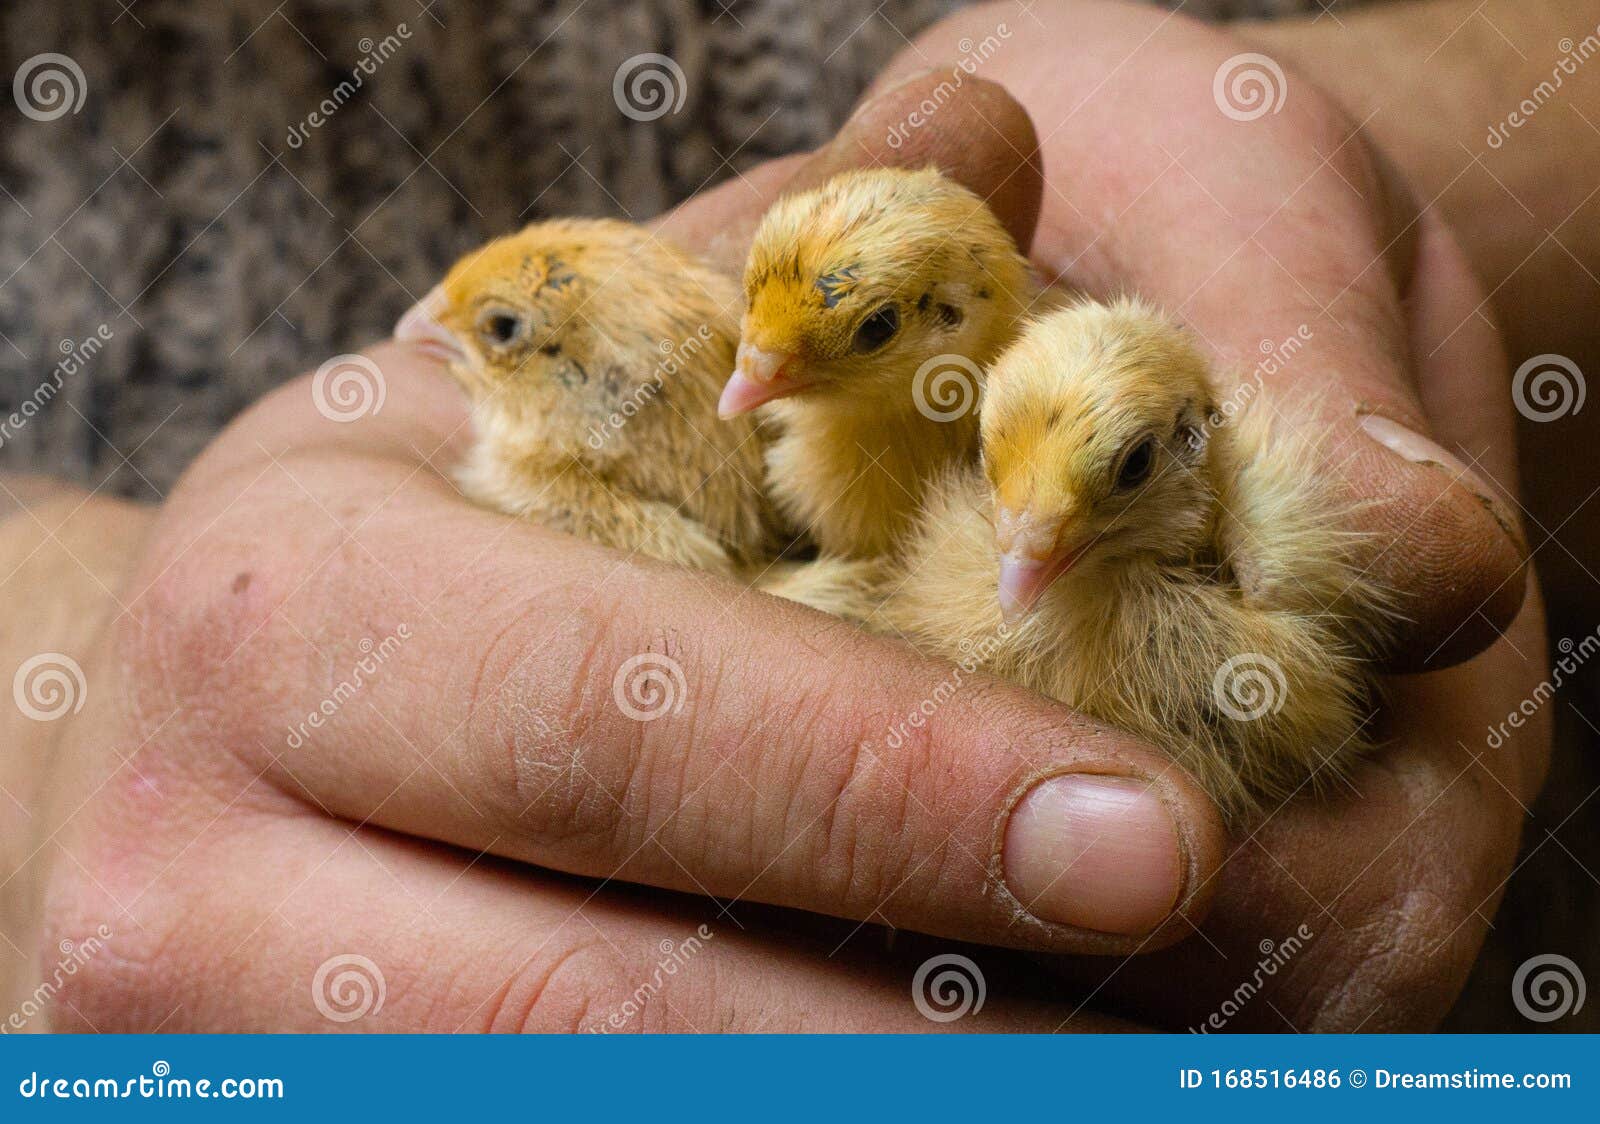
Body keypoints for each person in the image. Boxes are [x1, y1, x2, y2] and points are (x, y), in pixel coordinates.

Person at [1, 0, 1589, 1031]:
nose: (760, 395)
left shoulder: (1067, 506)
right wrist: (58, 643)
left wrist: (1403, 202)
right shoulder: (795, 455)